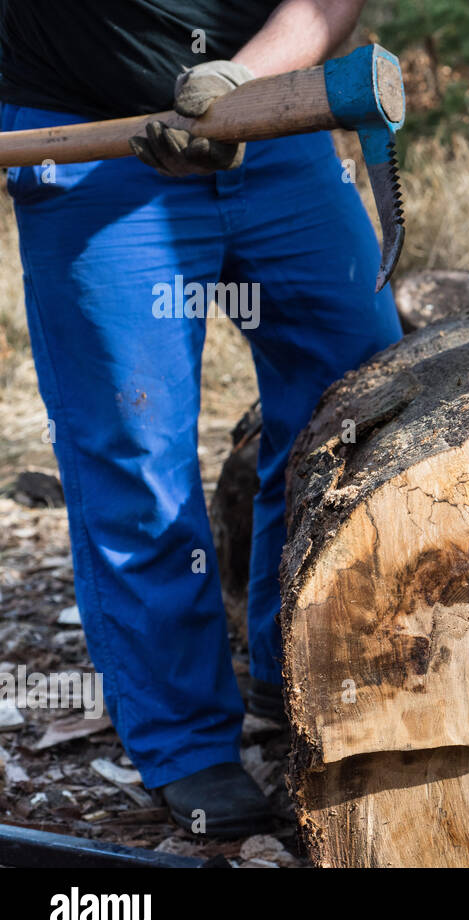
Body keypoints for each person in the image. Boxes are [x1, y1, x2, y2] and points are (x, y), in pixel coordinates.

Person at [0, 0, 401, 837]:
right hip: (92, 136)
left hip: (275, 116)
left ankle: (293, 661)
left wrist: (239, 85)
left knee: (359, 403)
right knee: (136, 448)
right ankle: (185, 744)